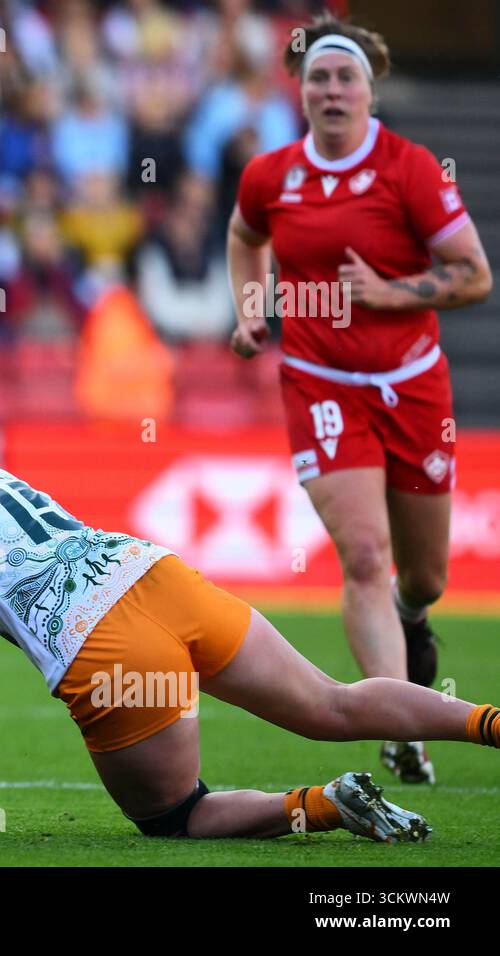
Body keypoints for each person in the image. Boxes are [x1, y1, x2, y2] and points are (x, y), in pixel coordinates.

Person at [0, 411, 500, 841]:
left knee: (176, 814)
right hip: (158, 576)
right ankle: (488, 722)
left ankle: (322, 804)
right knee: (331, 702)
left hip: (99, 637)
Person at [226, 14, 492, 783]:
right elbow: (246, 238)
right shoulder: (271, 174)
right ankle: (401, 726)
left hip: (413, 384)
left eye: (346, 79)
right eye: (319, 78)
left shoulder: (411, 170)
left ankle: (415, 621)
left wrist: (389, 290)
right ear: (301, 90)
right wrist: (251, 307)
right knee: (365, 555)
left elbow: (475, 274)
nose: (332, 90)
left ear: (370, 92)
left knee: (424, 575)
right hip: (319, 383)